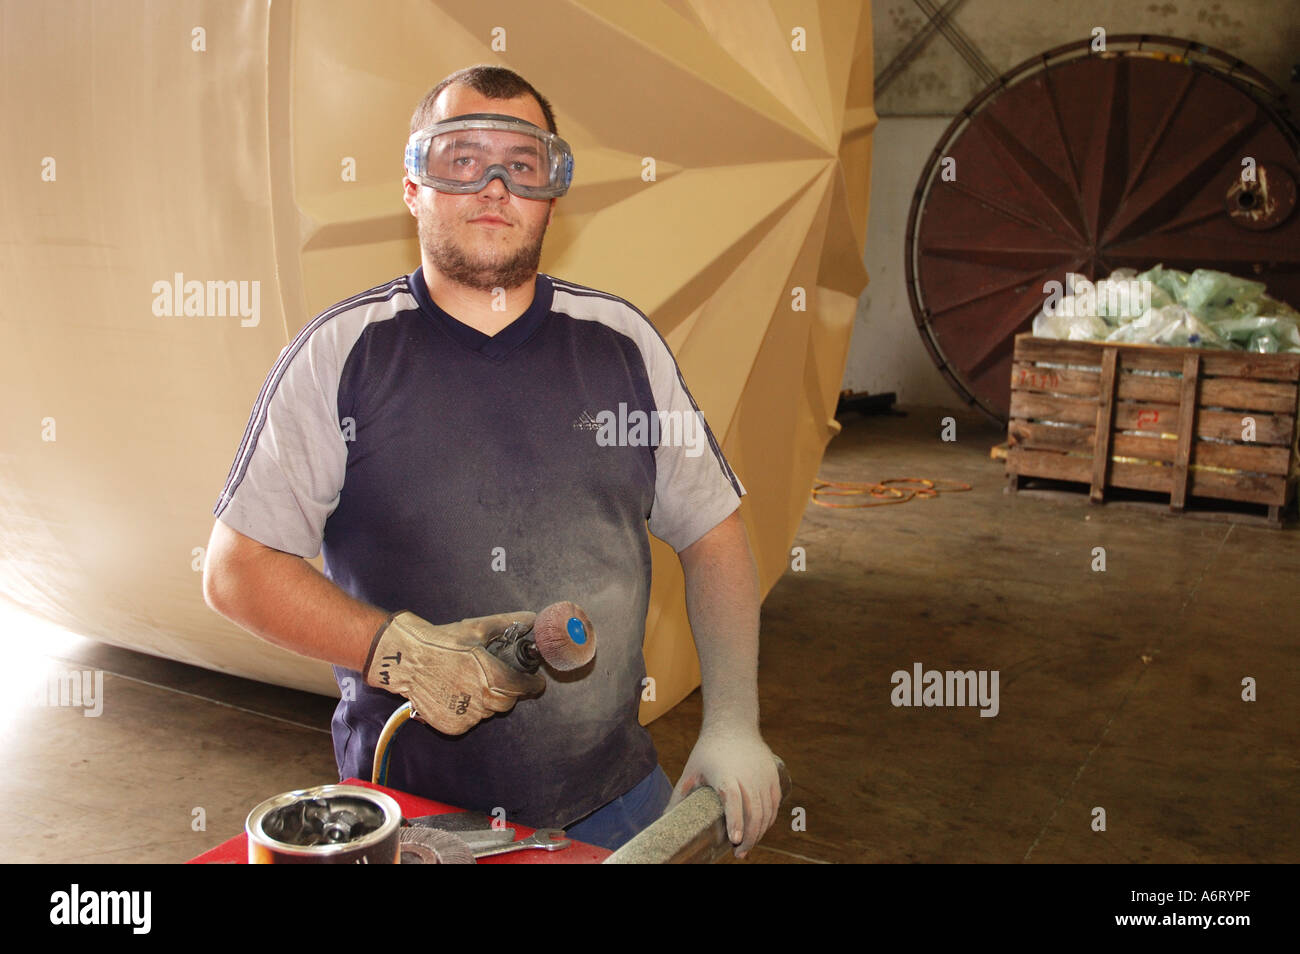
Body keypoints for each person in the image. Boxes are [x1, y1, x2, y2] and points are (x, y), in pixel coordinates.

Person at [202, 65, 780, 856]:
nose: (496, 185)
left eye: (524, 163)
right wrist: (399, 653)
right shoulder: (342, 356)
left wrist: (734, 724)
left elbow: (714, 532)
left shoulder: (622, 347)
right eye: (462, 159)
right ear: (412, 185)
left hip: (616, 800)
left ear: (552, 194)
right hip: (412, 816)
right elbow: (236, 568)